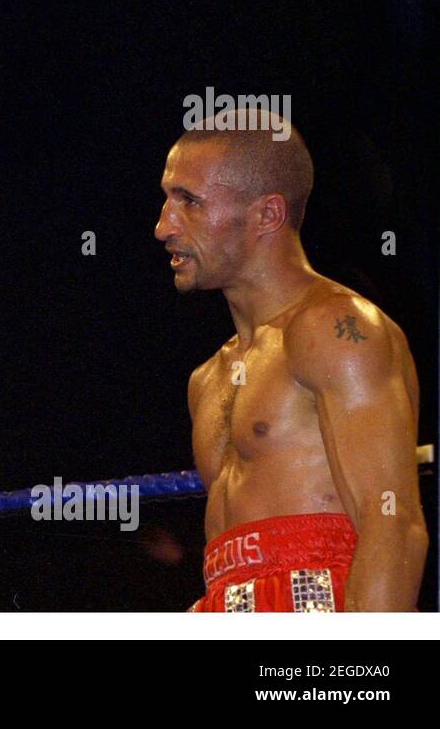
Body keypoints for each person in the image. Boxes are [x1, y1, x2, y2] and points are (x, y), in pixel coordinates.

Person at [153, 109, 426, 611]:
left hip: (327, 603)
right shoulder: (208, 378)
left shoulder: (337, 329)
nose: (162, 227)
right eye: (167, 201)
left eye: (189, 202)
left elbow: (393, 523)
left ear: (267, 215)